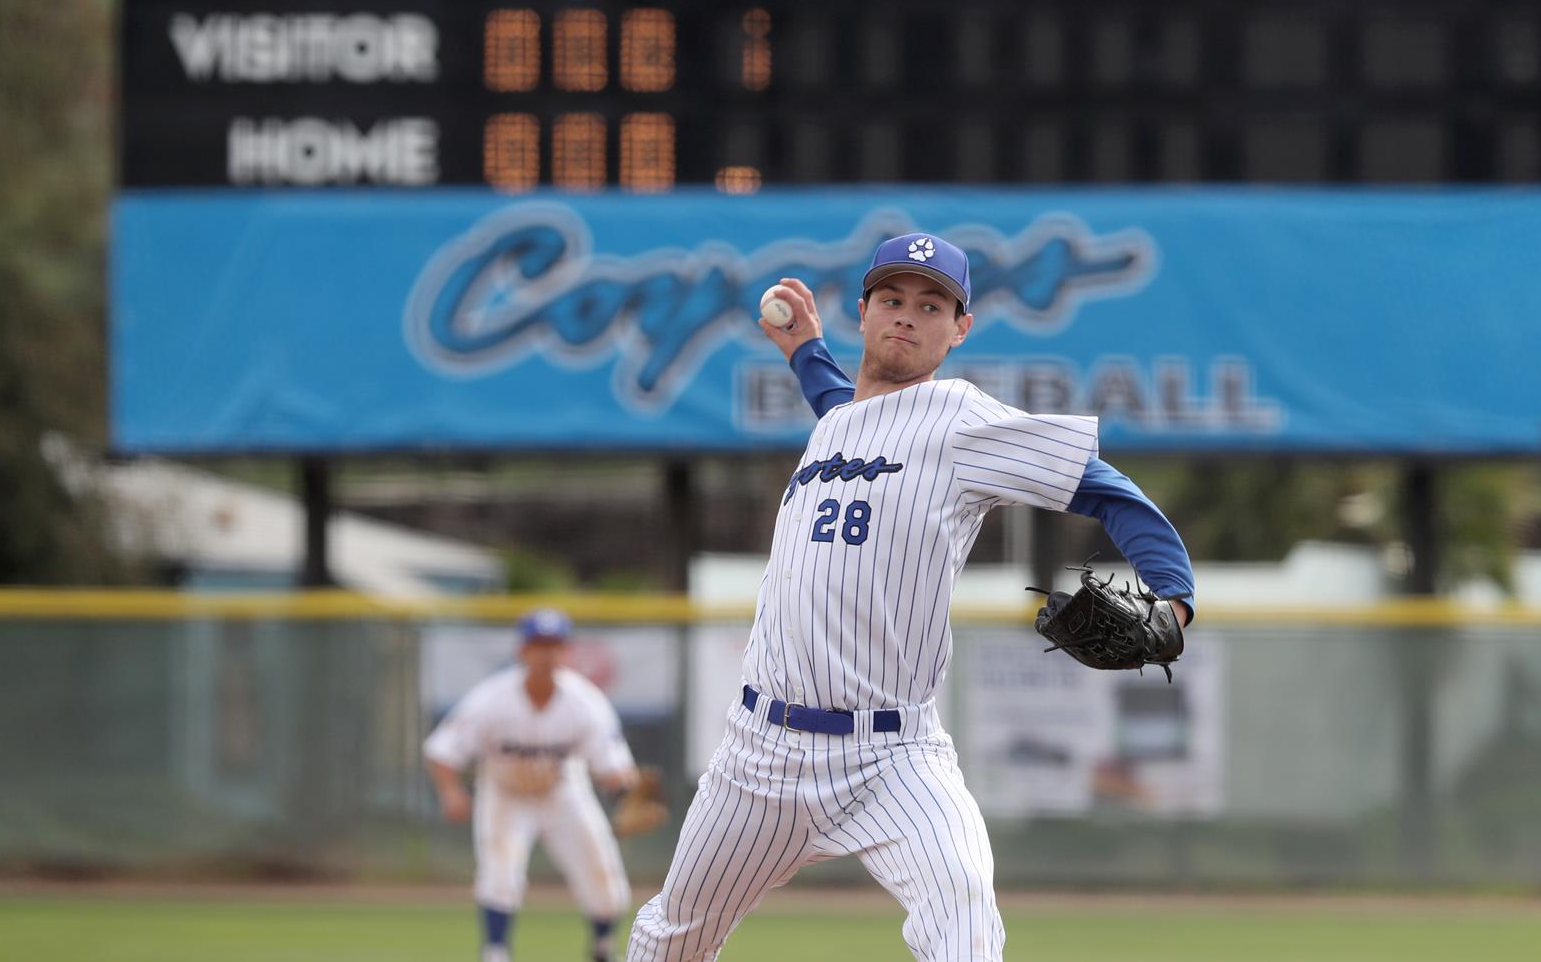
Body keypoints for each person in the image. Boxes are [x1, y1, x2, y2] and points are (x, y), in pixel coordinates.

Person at [627, 232, 1195, 962]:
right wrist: (804, 350)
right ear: (862, 313)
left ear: (960, 328)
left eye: (932, 305)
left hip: (893, 757)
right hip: (759, 755)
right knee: (672, 937)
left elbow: (1108, 490)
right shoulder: (837, 425)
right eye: (891, 299)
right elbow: (851, 409)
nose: (907, 315)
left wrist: (1173, 600)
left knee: (964, 927)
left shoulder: (960, 420)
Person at [425, 608, 640, 962]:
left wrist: (625, 792)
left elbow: (613, 767)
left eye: (554, 645)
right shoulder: (491, 699)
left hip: (563, 790)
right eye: (538, 645)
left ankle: (602, 948)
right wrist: (450, 791)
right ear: (522, 651)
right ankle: (496, 952)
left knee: (605, 879)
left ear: (566, 651)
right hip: (504, 792)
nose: (546, 654)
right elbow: (442, 751)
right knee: (499, 877)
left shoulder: (585, 702)